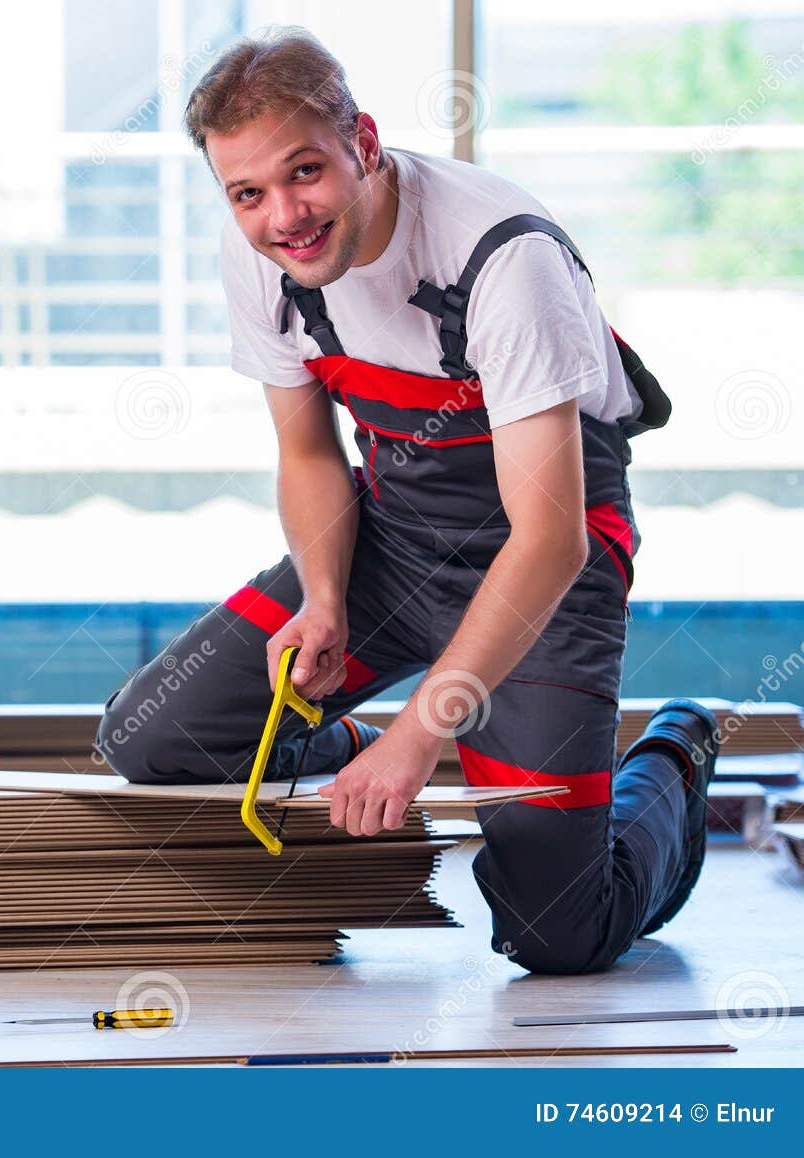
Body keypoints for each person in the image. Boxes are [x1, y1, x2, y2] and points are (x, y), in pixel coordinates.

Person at [94, 29, 720, 975]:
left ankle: (675, 756)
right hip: (391, 536)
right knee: (153, 734)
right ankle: (366, 742)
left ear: (366, 144)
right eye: (248, 192)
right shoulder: (261, 256)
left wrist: (426, 732)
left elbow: (549, 539)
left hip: (547, 569)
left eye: (305, 172)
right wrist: (325, 599)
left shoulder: (505, 259)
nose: (282, 216)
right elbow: (308, 453)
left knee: (557, 935)